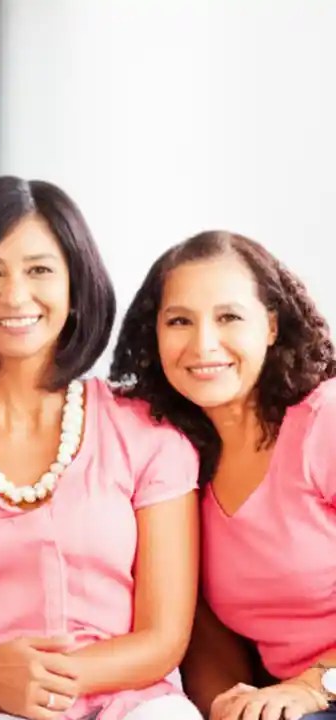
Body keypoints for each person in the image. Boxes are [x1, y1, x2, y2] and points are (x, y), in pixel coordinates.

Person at [0, 176, 201, 720]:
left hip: (130, 704)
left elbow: (163, 638)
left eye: (40, 270)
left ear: (76, 286)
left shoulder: (147, 432)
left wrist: (36, 684)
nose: (15, 295)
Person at [110, 230, 336, 720]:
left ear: (271, 326)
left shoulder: (325, 421)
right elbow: (205, 630)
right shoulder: (176, 460)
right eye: (179, 321)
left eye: (229, 317)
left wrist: (313, 686)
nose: (203, 344)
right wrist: (223, 705)